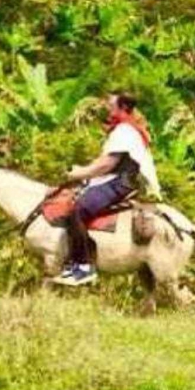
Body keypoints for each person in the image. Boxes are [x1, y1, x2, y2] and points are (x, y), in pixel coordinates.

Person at [54, 93, 161, 287]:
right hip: (117, 180)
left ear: (122, 108)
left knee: (77, 211)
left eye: (110, 105)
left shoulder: (124, 131)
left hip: (120, 183)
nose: (106, 108)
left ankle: (83, 267)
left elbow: (106, 165)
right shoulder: (126, 129)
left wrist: (79, 173)